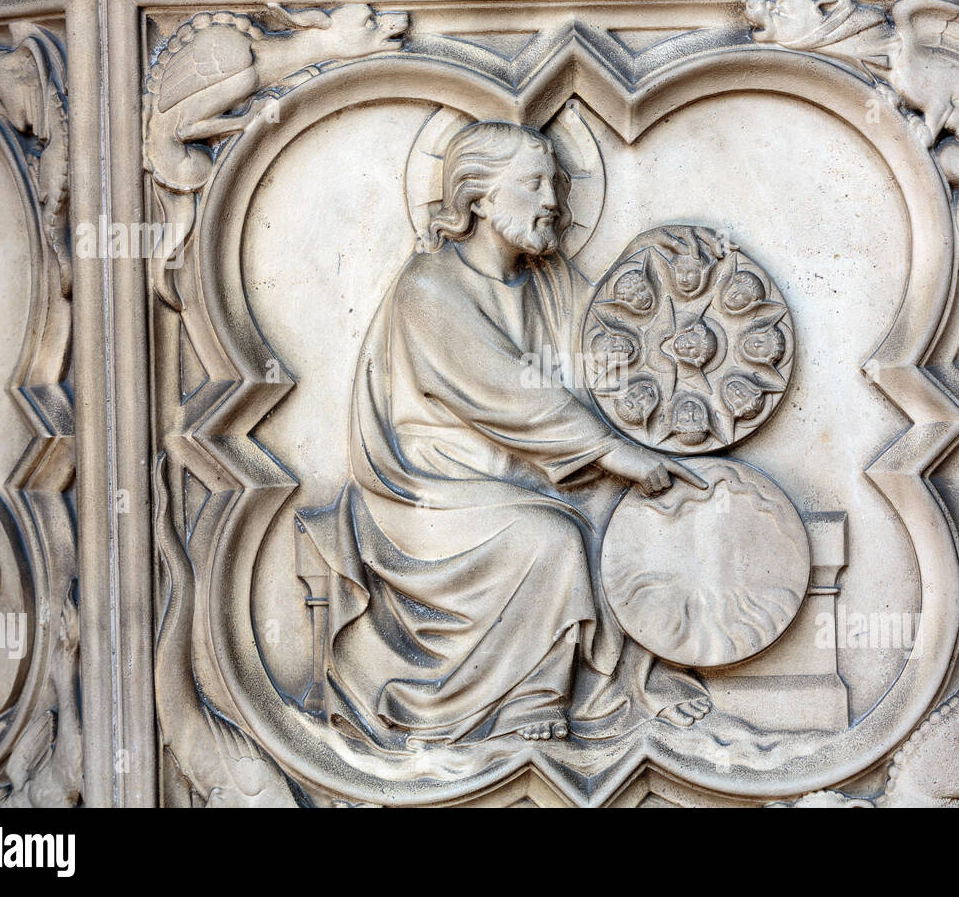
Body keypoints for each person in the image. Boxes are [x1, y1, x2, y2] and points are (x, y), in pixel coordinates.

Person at [304, 121, 713, 747]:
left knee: (628, 512)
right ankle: (530, 696)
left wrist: (678, 334)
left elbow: (610, 348)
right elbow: (510, 393)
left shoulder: (548, 281)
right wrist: (610, 451)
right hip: (433, 495)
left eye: (555, 182)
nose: (552, 199)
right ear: (478, 196)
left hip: (529, 476)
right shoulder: (429, 287)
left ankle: (635, 677)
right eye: (532, 184)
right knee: (549, 537)